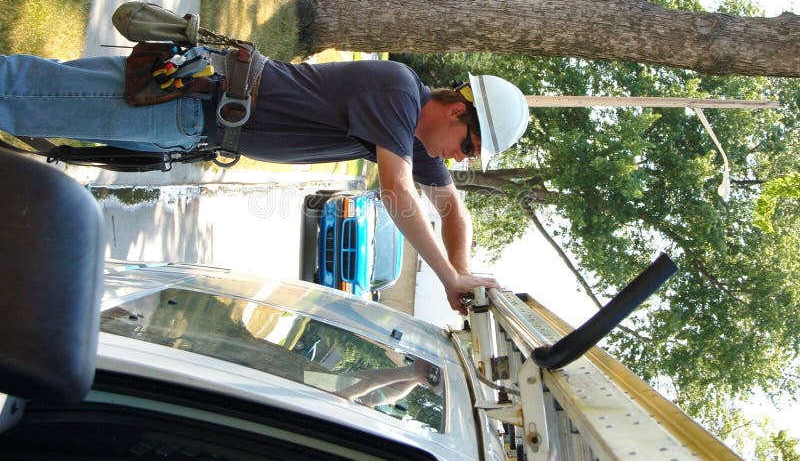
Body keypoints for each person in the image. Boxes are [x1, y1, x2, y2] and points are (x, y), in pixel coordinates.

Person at [0, 54, 529, 313]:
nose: (458, 160)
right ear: (457, 112)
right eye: (467, 148)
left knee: (33, 102)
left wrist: (462, 272)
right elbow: (396, 190)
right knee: (23, 95)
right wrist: (447, 278)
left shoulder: (413, 136)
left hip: (193, 121)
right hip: (189, 101)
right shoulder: (399, 94)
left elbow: (453, 209)